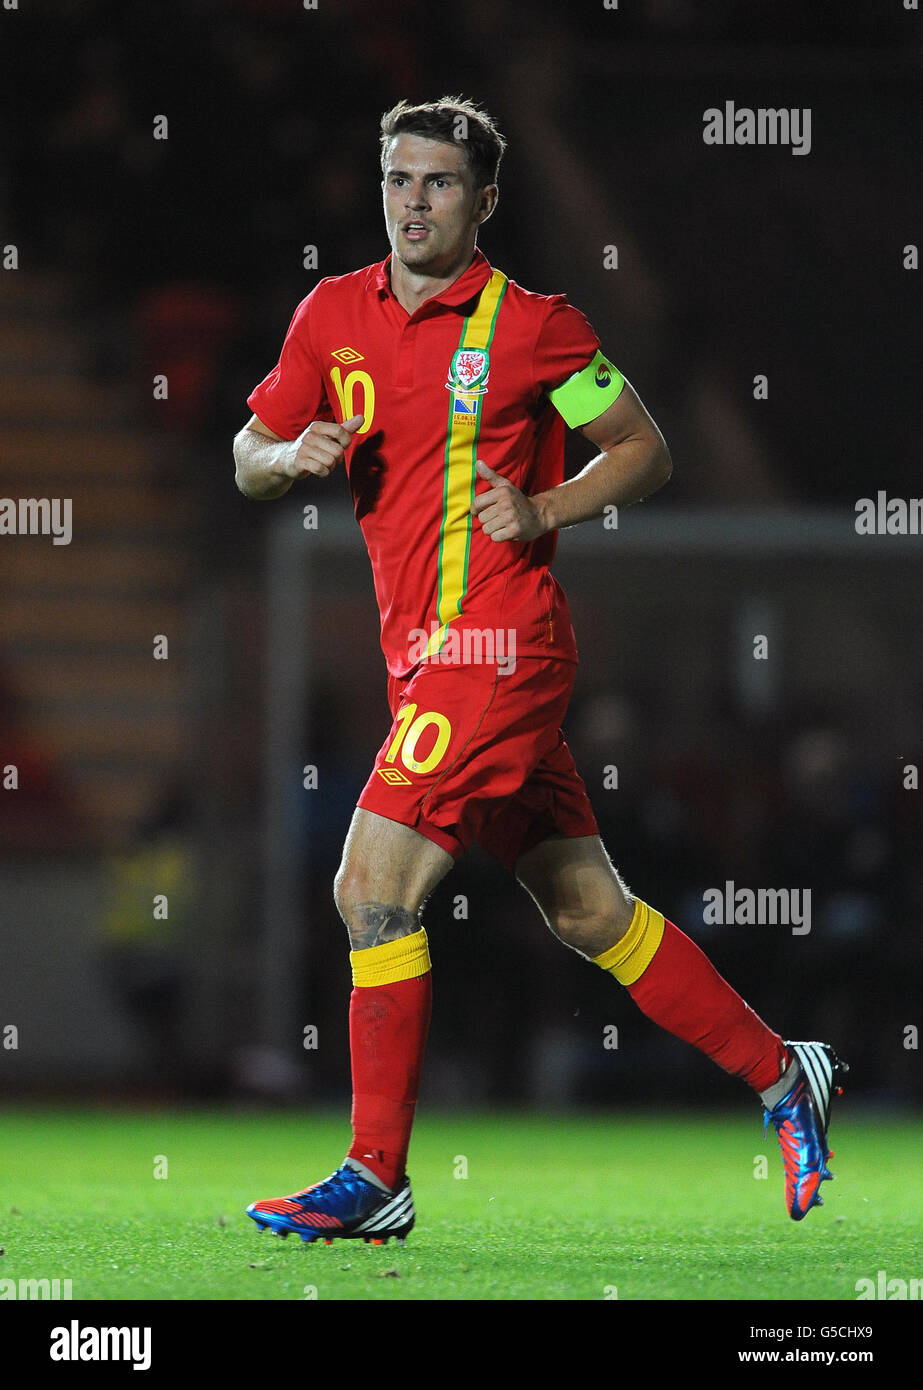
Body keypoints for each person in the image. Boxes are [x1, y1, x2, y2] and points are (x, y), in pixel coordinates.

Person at [234, 96, 845, 1246]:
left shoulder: (530, 329)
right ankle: (782, 1073)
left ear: (486, 200)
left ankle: (375, 1175)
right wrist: (283, 452)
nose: (413, 202)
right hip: (424, 664)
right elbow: (244, 451)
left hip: (501, 648)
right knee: (587, 910)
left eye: (439, 184)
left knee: (370, 886)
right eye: (398, 179)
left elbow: (643, 449)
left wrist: (548, 504)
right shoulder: (330, 316)